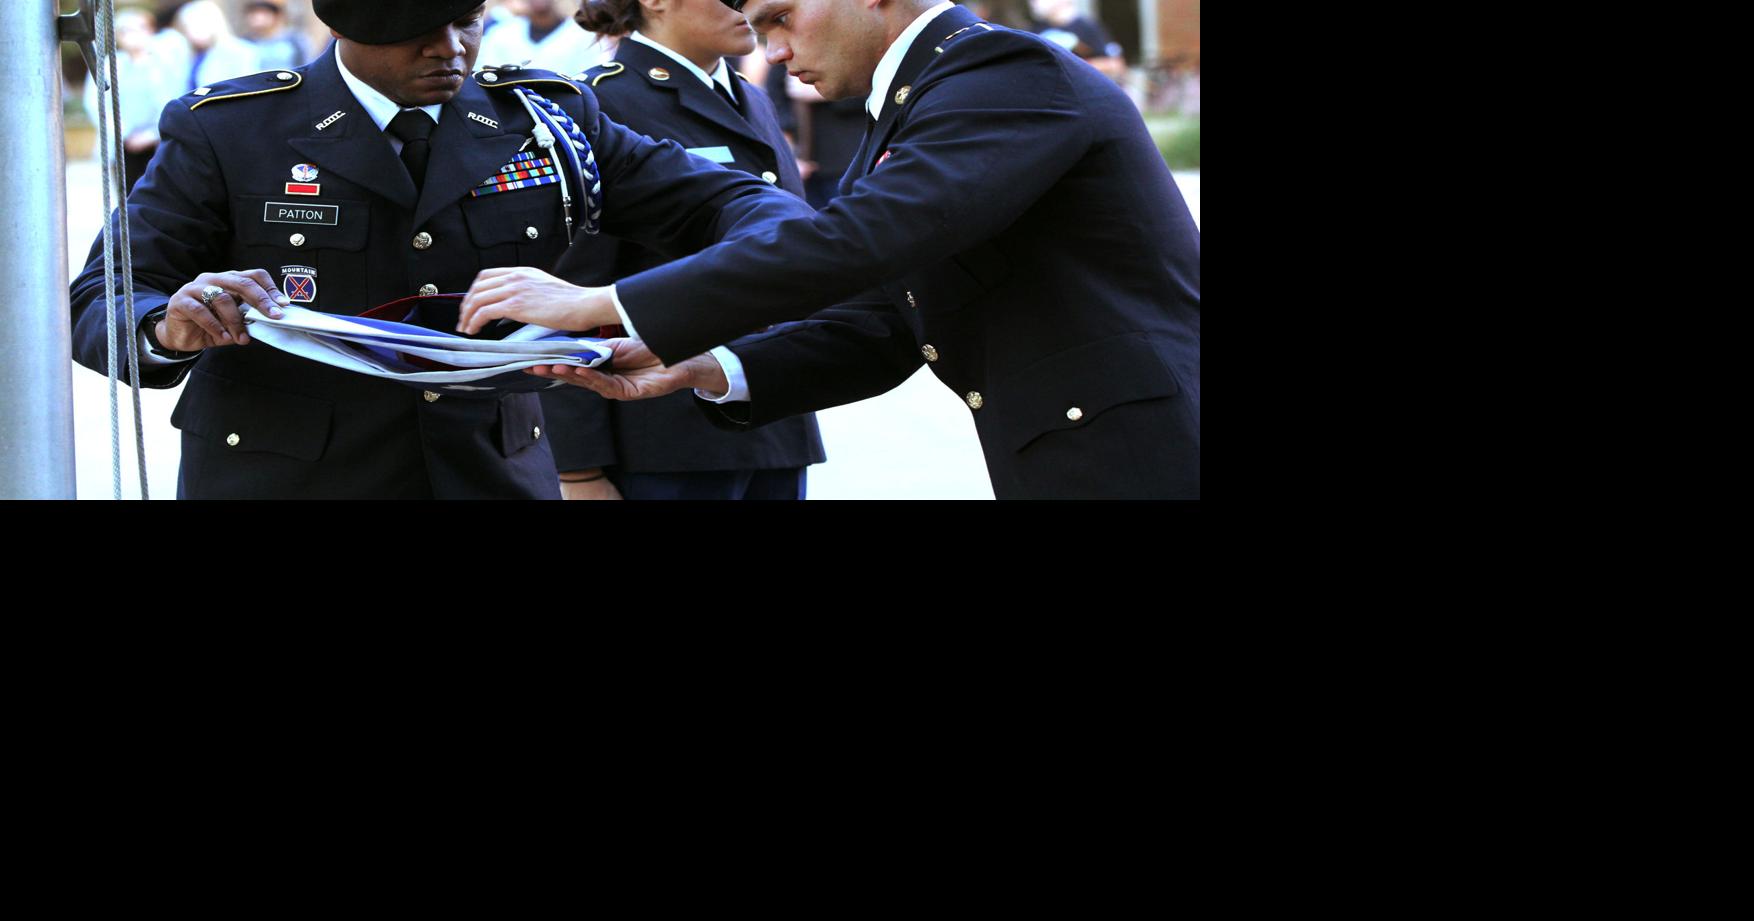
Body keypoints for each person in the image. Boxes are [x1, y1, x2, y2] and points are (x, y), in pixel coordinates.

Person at [67, 0, 814, 499]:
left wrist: (628, 309)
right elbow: (106, 295)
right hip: (283, 475)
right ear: (348, 24)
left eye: (468, 21)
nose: (450, 49)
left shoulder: (545, 120)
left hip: (489, 470)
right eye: (418, 28)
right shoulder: (231, 131)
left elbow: (748, 208)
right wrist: (168, 325)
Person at [456, 0, 1201, 499]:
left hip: (1147, 452)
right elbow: (882, 322)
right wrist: (705, 368)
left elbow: (855, 240)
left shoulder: (1002, 72)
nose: (772, 51)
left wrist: (606, 306)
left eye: (781, 17)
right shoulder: (920, 100)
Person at [541, 0, 824, 500]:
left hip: (770, 424)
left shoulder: (748, 97)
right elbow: (567, 294)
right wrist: (578, 469)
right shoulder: (598, 102)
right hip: (659, 441)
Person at [83, 6, 180, 193]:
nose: (131, 35)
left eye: (138, 28)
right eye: (124, 30)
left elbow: (173, 100)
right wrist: (123, 132)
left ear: (149, 30)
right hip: (121, 143)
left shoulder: (165, 64)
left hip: (156, 143)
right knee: (126, 195)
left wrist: (152, 134)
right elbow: (95, 102)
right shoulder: (109, 64)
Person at [478, 0, 611, 73]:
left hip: (567, 115)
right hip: (510, 113)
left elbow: (590, 81)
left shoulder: (583, 35)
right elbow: (486, 74)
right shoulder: (502, 34)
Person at [1026, 0, 1124, 81]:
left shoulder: (1087, 27)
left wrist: (1071, 65)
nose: (1033, 2)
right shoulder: (1036, 28)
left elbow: (1114, 64)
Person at [240, 0, 310, 73]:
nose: (258, 18)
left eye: (264, 13)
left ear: (276, 16)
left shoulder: (294, 39)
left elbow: (305, 64)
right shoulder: (244, 42)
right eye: (253, 14)